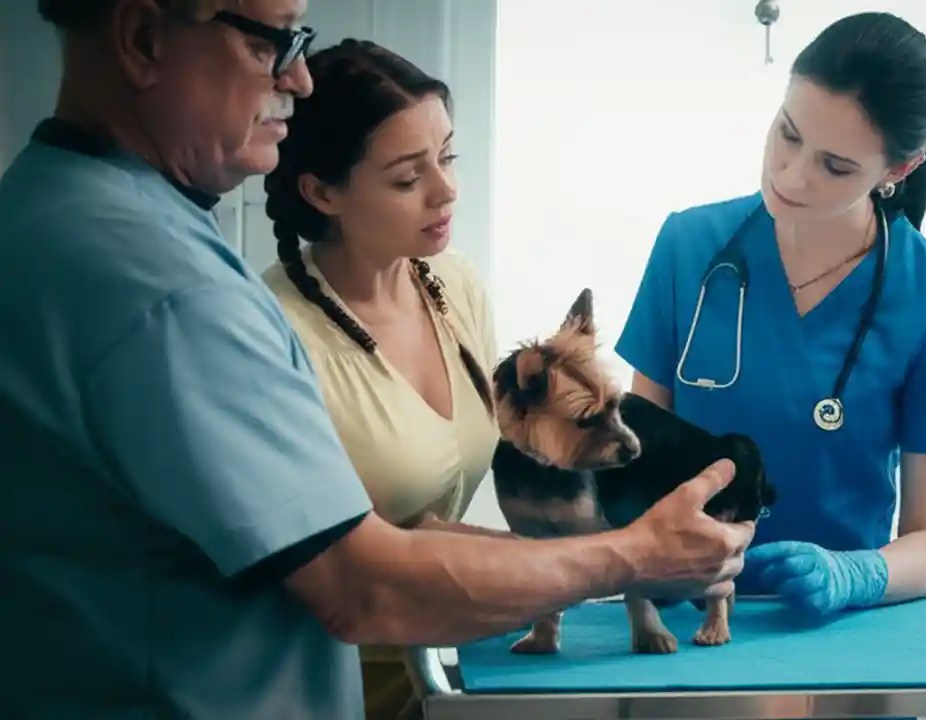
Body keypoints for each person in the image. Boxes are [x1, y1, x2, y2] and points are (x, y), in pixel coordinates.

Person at [0, 1, 753, 717]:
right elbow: (362, 585)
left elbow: (383, 534)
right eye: (272, 41)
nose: (296, 77)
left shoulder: (59, 213)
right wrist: (635, 554)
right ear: (142, 39)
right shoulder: (166, 288)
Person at [617, 12, 926, 621]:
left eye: (836, 166)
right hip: (684, 620)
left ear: (899, 170)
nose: (790, 174)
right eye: (787, 133)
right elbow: (637, 459)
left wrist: (857, 574)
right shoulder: (688, 248)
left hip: (839, 629)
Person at [257, 39, 502, 718]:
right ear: (322, 191)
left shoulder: (455, 286)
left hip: (438, 680)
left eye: (448, 157)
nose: (446, 189)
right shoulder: (276, 334)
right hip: (327, 694)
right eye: (406, 178)